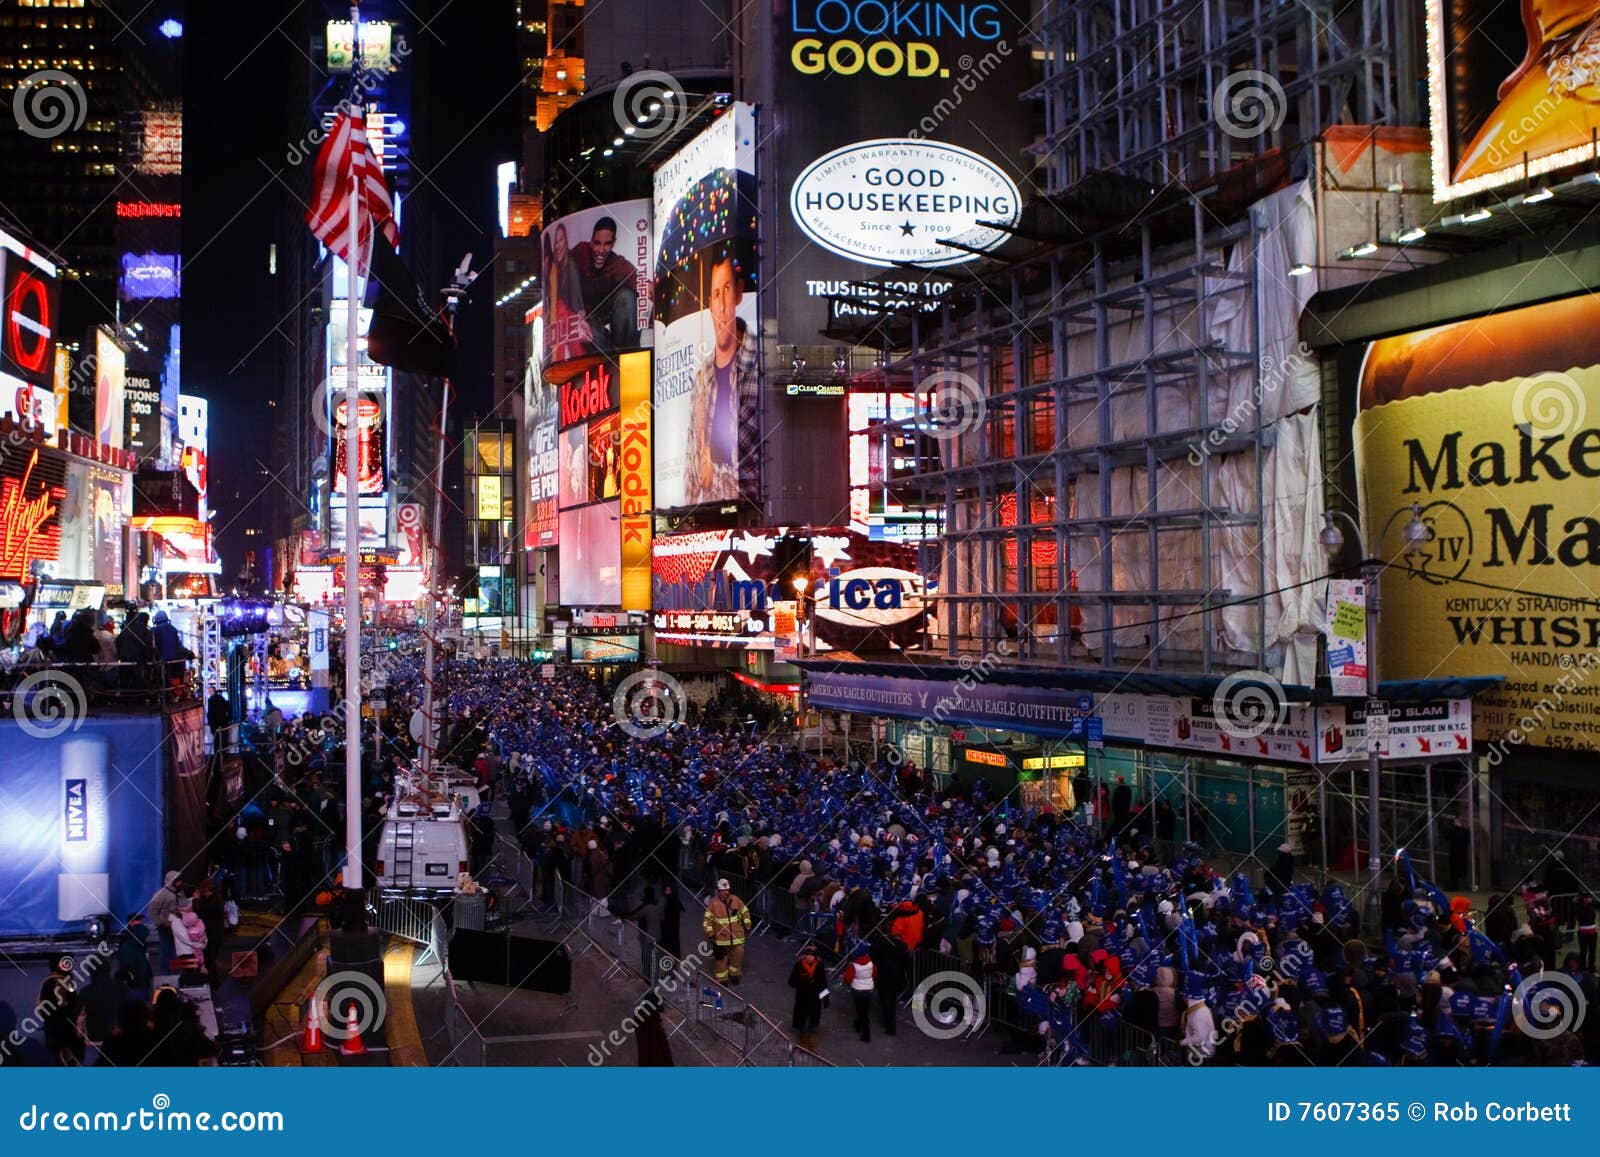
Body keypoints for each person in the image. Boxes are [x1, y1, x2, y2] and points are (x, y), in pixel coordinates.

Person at [684, 256, 758, 505]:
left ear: (738, 294)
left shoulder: (761, 364)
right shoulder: (701, 380)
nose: (722, 305)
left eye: (727, 289)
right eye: (716, 294)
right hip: (710, 512)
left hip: (758, 509)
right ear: (710, 304)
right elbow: (691, 470)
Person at [571, 216, 638, 353]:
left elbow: (643, 285)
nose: (601, 250)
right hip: (584, 318)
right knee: (585, 334)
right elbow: (560, 275)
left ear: (613, 244)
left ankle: (626, 353)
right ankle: (613, 358)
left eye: (607, 244)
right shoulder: (580, 252)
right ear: (591, 242)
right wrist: (576, 313)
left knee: (626, 296)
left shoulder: (617, 264)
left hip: (607, 315)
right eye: (597, 243)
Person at [702, 877, 752, 986]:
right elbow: (707, 922)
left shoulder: (735, 900)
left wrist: (747, 926)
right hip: (721, 939)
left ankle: (734, 975)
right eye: (723, 891)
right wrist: (711, 936)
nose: (726, 893)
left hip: (737, 937)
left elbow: (745, 912)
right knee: (721, 960)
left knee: (738, 956)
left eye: (727, 890)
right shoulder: (713, 904)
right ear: (718, 891)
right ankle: (722, 979)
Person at [37, 958, 84, 1066]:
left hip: (55, 1026)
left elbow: (44, 1007)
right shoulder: (68, 981)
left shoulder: (49, 982)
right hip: (66, 1026)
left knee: (56, 1058)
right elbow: (74, 1002)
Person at [788, 942, 828, 1053]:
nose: (809, 957)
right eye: (808, 954)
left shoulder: (819, 966)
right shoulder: (799, 965)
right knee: (803, 1023)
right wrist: (802, 984)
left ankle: (812, 1045)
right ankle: (802, 1044)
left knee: (812, 1023)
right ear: (805, 955)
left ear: (815, 956)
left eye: (812, 955)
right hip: (802, 998)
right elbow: (791, 981)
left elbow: (823, 983)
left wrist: (825, 998)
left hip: (815, 999)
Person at [147, 870, 182, 963]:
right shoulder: (161, 894)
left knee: (173, 950)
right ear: (172, 881)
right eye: (178, 881)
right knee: (165, 950)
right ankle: (165, 972)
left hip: (175, 925)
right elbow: (152, 910)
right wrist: (161, 922)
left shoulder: (177, 893)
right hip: (165, 927)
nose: (180, 883)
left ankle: (173, 972)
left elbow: (177, 907)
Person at [843, 941, 876, 1042]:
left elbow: (847, 979)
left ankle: (865, 1033)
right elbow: (875, 974)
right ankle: (858, 1024)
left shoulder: (854, 966)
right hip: (869, 989)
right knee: (864, 1009)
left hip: (857, 990)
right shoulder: (871, 964)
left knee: (860, 1010)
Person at [151, 609, 194, 686]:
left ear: (156, 621)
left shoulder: (155, 631)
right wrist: (189, 654)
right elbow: (179, 647)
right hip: (175, 667)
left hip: (161, 666)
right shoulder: (173, 629)